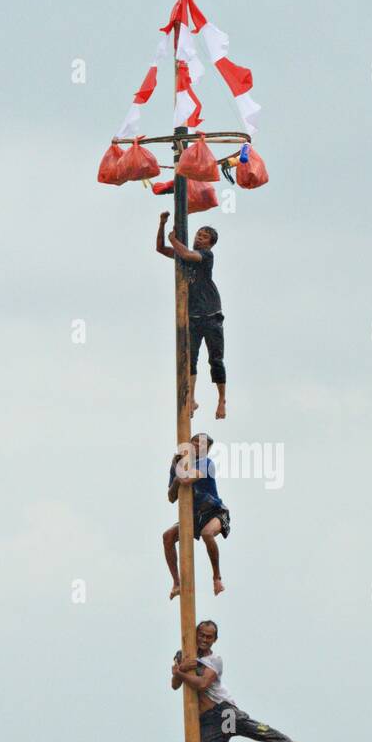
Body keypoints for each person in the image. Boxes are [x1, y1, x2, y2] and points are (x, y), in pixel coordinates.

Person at [171, 620, 315, 742]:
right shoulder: (183, 655)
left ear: (215, 639)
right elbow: (175, 685)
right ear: (195, 634)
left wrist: (180, 672)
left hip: (223, 711)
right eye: (201, 635)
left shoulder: (215, 660)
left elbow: (203, 684)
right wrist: (178, 672)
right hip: (207, 721)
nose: (204, 639)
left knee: (253, 729)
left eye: (209, 637)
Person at [156, 213, 226, 420]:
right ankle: (192, 399)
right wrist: (162, 225)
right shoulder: (185, 252)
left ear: (210, 244)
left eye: (204, 237)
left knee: (215, 359)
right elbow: (160, 249)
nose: (199, 238)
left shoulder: (205, 256)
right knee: (190, 359)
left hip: (211, 313)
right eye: (198, 234)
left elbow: (186, 255)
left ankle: (221, 399)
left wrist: (173, 239)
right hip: (193, 316)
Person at [163, 432, 230, 599]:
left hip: (215, 511)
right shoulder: (178, 466)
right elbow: (172, 497)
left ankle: (217, 578)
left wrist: (179, 473)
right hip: (194, 516)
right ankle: (176, 583)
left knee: (207, 533)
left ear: (207, 449)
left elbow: (185, 481)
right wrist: (177, 471)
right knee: (168, 536)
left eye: (202, 444)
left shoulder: (206, 463)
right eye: (194, 442)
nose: (197, 446)